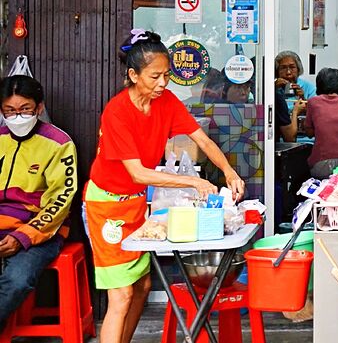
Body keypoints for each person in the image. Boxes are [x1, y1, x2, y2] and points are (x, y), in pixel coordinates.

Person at [85, 30, 246, 343]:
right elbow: (139, 174)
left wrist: (228, 171)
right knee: (120, 295)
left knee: (142, 288)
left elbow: (201, 139)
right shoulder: (117, 112)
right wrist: (193, 181)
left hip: (134, 205)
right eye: (154, 76)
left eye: (167, 75)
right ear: (132, 75)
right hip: (107, 207)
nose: (162, 83)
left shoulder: (166, 102)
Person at [0, 75, 77, 330]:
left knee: (17, 280)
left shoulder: (58, 143)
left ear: (39, 108)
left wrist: (22, 237)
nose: (17, 117)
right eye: (9, 111)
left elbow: (61, 201)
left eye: (25, 110)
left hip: (40, 232)